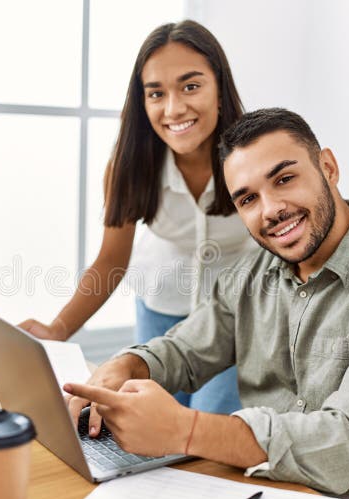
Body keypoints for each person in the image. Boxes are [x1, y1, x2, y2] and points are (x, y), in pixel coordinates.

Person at [63, 108, 349, 499]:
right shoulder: (255, 273)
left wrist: (185, 430)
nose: (271, 209)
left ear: (327, 167)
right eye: (248, 198)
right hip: (258, 496)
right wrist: (125, 366)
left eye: (284, 179)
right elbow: (184, 350)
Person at [19, 20, 255, 417]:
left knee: (209, 432)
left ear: (219, 89)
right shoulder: (129, 167)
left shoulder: (253, 158)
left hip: (236, 323)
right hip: (160, 311)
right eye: (156, 93)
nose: (174, 108)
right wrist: (57, 330)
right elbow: (111, 260)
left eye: (191, 86)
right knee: (154, 432)